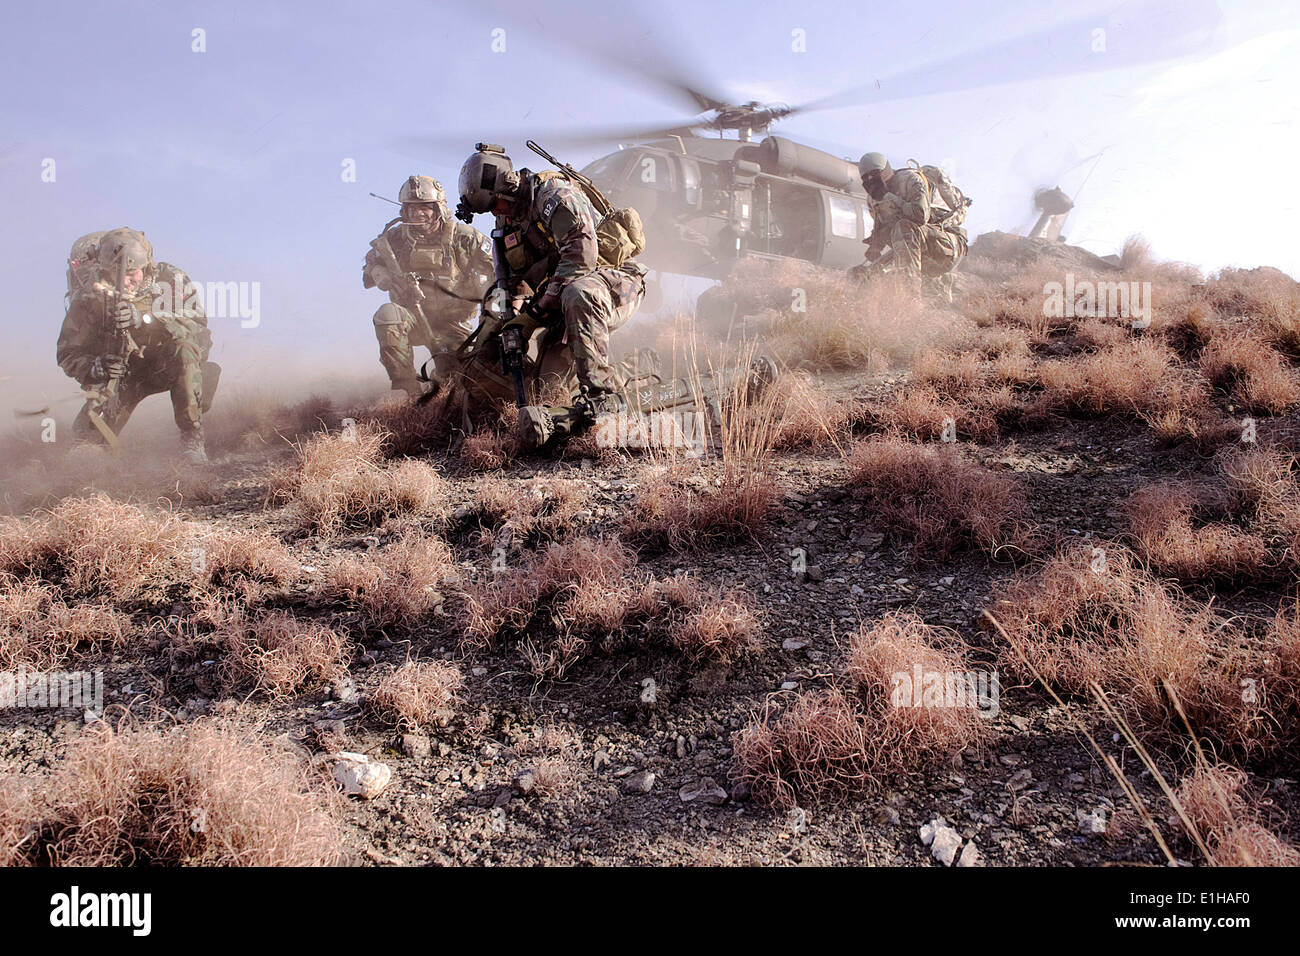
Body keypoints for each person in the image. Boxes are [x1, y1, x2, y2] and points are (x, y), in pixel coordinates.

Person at [455, 143, 647, 445]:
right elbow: (509, 285)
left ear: (508, 186)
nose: (496, 213)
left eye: (496, 205)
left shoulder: (555, 196)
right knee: (548, 388)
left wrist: (531, 318)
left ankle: (603, 395)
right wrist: (510, 322)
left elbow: (580, 261)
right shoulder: (505, 225)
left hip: (610, 285)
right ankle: (625, 376)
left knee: (578, 292)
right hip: (560, 304)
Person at [56, 227, 219, 463]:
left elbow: (198, 329)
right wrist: (96, 367)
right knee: (85, 443)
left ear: (147, 267)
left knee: (185, 350)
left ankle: (192, 438)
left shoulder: (169, 279)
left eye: (133, 273)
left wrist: (146, 319)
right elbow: (67, 353)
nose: (126, 281)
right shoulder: (89, 297)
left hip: (165, 364)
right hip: (122, 376)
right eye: (116, 273)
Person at [363, 175, 494, 397]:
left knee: (463, 381)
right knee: (388, 316)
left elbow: (496, 272)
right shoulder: (394, 239)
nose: (418, 213)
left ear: (438, 208)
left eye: (424, 208)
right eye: (412, 208)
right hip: (411, 319)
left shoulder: (464, 238)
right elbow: (370, 267)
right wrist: (381, 274)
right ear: (404, 211)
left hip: (452, 325)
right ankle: (409, 389)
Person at [853, 152, 970, 297]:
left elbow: (920, 216)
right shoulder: (873, 199)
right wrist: (874, 250)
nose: (870, 180)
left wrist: (889, 197)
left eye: (874, 174)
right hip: (920, 251)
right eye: (866, 177)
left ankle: (910, 298)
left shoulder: (910, 180)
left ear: (884, 171)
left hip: (946, 247)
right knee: (865, 274)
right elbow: (883, 229)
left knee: (904, 227)